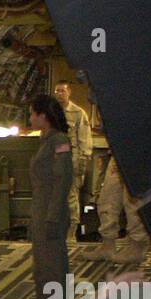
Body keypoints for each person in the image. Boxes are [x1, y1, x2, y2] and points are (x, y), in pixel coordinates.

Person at [26, 93, 74, 299]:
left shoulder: (60, 141)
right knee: (42, 272)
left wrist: (52, 218)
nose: (31, 118)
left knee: (54, 271)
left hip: (50, 217)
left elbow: (62, 180)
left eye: (33, 113)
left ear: (43, 116)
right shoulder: (46, 141)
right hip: (41, 214)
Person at [78, 149, 151, 264]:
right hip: (119, 151)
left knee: (132, 201)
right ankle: (108, 244)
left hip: (138, 152)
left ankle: (137, 247)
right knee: (107, 199)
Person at [54, 82, 92, 239]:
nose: (59, 94)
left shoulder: (78, 113)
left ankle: (71, 232)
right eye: (57, 91)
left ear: (69, 92)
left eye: (62, 91)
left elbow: (84, 138)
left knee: (70, 196)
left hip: (71, 158)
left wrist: (82, 159)